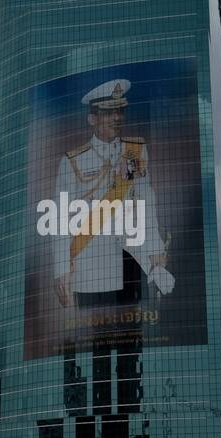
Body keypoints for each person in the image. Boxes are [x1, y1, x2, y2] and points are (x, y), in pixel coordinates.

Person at [52, 78, 174, 308]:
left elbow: (146, 201)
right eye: (108, 113)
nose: (117, 118)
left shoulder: (135, 149)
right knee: (98, 333)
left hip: (133, 255)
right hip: (91, 259)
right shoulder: (73, 161)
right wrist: (61, 268)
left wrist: (156, 251)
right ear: (92, 119)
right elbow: (59, 218)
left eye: (119, 111)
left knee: (133, 332)